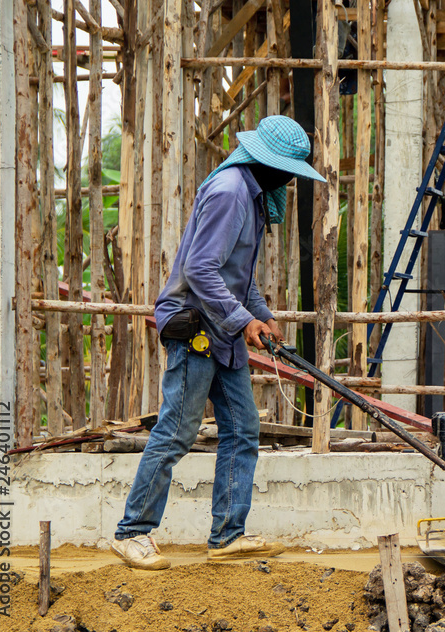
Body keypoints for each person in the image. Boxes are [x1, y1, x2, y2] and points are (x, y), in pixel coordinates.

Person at [110, 115, 325, 570]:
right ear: (267, 162)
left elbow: (236, 276)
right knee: (176, 432)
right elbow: (200, 270)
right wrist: (243, 320)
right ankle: (132, 533)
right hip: (196, 331)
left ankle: (227, 535)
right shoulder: (230, 192)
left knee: (243, 429)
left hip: (222, 331)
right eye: (288, 169)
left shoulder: (250, 195)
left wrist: (260, 314)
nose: (290, 178)